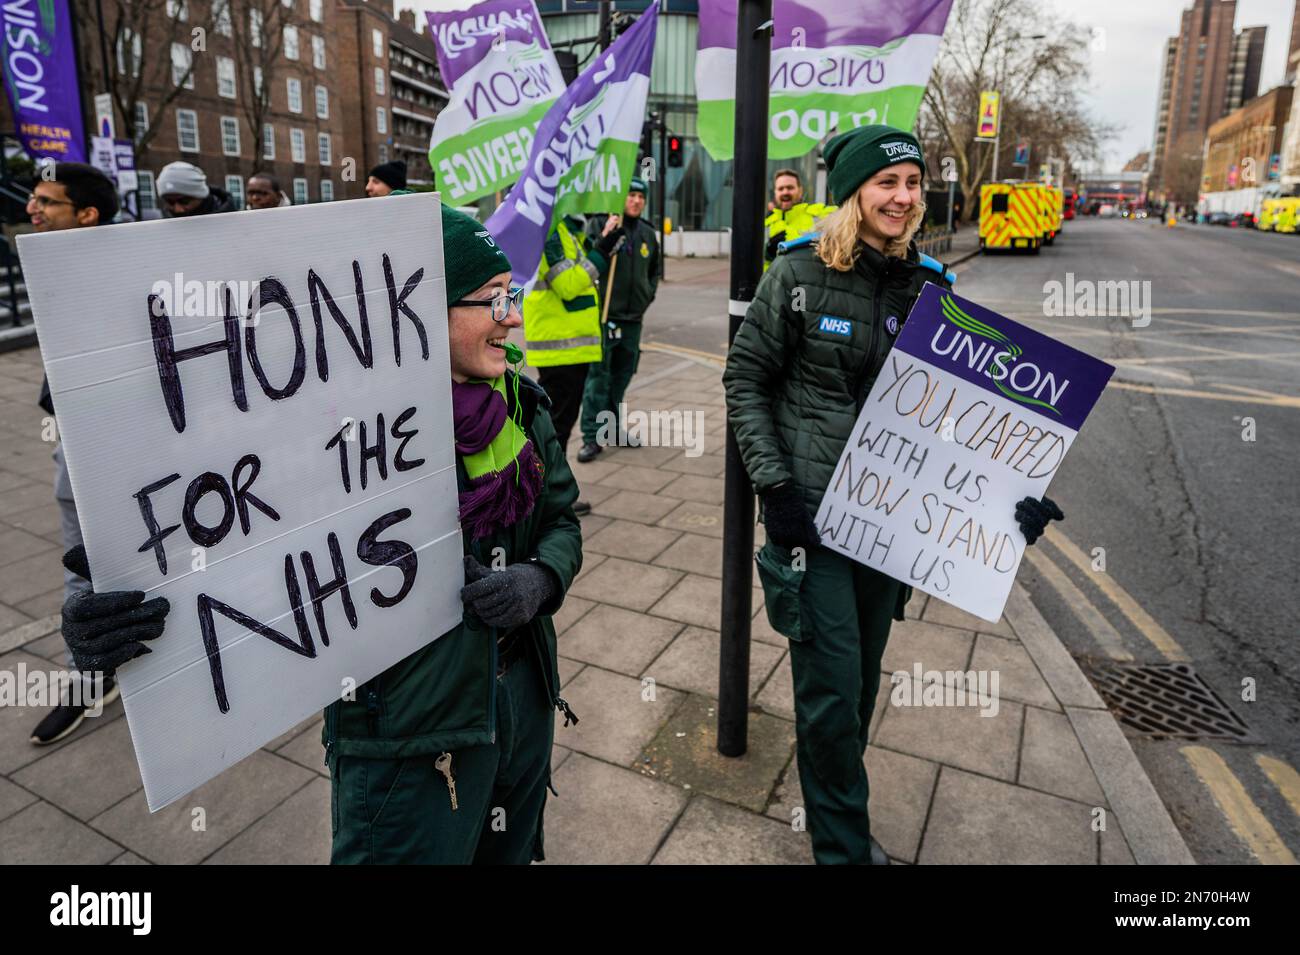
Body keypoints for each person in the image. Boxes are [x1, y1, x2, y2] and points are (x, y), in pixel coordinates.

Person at [51, 204, 585, 865]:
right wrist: (110, 614)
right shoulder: (331, 437)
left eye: (513, 296)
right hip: (413, 738)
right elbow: (242, 549)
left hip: (523, 701)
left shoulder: (524, 408)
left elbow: (561, 519)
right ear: (426, 307)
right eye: (492, 299)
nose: (514, 318)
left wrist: (540, 579)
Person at [724, 124, 1064, 866]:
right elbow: (744, 379)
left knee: (859, 687)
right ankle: (843, 850)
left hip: (891, 525)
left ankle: (835, 811)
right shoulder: (798, 273)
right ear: (853, 192)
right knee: (831, 691)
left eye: (913, 183)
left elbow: (960, 419)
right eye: (888, 183)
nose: (905, 197)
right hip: (812, 521)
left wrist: (1013, 500)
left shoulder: (932, 287)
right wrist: (775, 488)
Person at [25, 162, 123, 745]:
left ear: (86, 215)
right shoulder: (52, 274)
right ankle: (89, 676)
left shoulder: (132, 272)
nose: (32, 210)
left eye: (46, 202)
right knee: (79, 565)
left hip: (135, 451)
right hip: (75, 448)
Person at [523, 212, 623, 514]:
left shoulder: (566, 230)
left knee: (557, 427)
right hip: (561, 348)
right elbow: (567, 284)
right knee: (555, 428)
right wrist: (601, 250)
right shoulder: (552, 232)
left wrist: (600, 240)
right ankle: (549, 499)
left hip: (569, 348)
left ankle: (548, 493)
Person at [575, 178, 661, 463]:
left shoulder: (648, 233)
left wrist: (646, 296)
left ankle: (611, 430)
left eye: (641, 196)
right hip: (604, 317)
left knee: (622, 377)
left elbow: (654, 271)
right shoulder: (600, 223)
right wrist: (605, 237)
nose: (636, 201)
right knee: (598, 379)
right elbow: (586, 262)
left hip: (633, 319)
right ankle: (591, 437)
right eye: (631, 195)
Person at [763, 168, 834, 270]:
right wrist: (767, 254)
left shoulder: (818, 214)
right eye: (780, 189)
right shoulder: (766, 223)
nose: (785, 192)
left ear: (800, 190)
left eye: (790, 188)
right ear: (775, 192)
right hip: (773, 279)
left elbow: (847, 215)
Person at [156, 161, 237, 217]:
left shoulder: (234, 222)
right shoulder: (161, 227)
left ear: (201, 196)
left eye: (184, 201)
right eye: (170, 202)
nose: (178, 209)